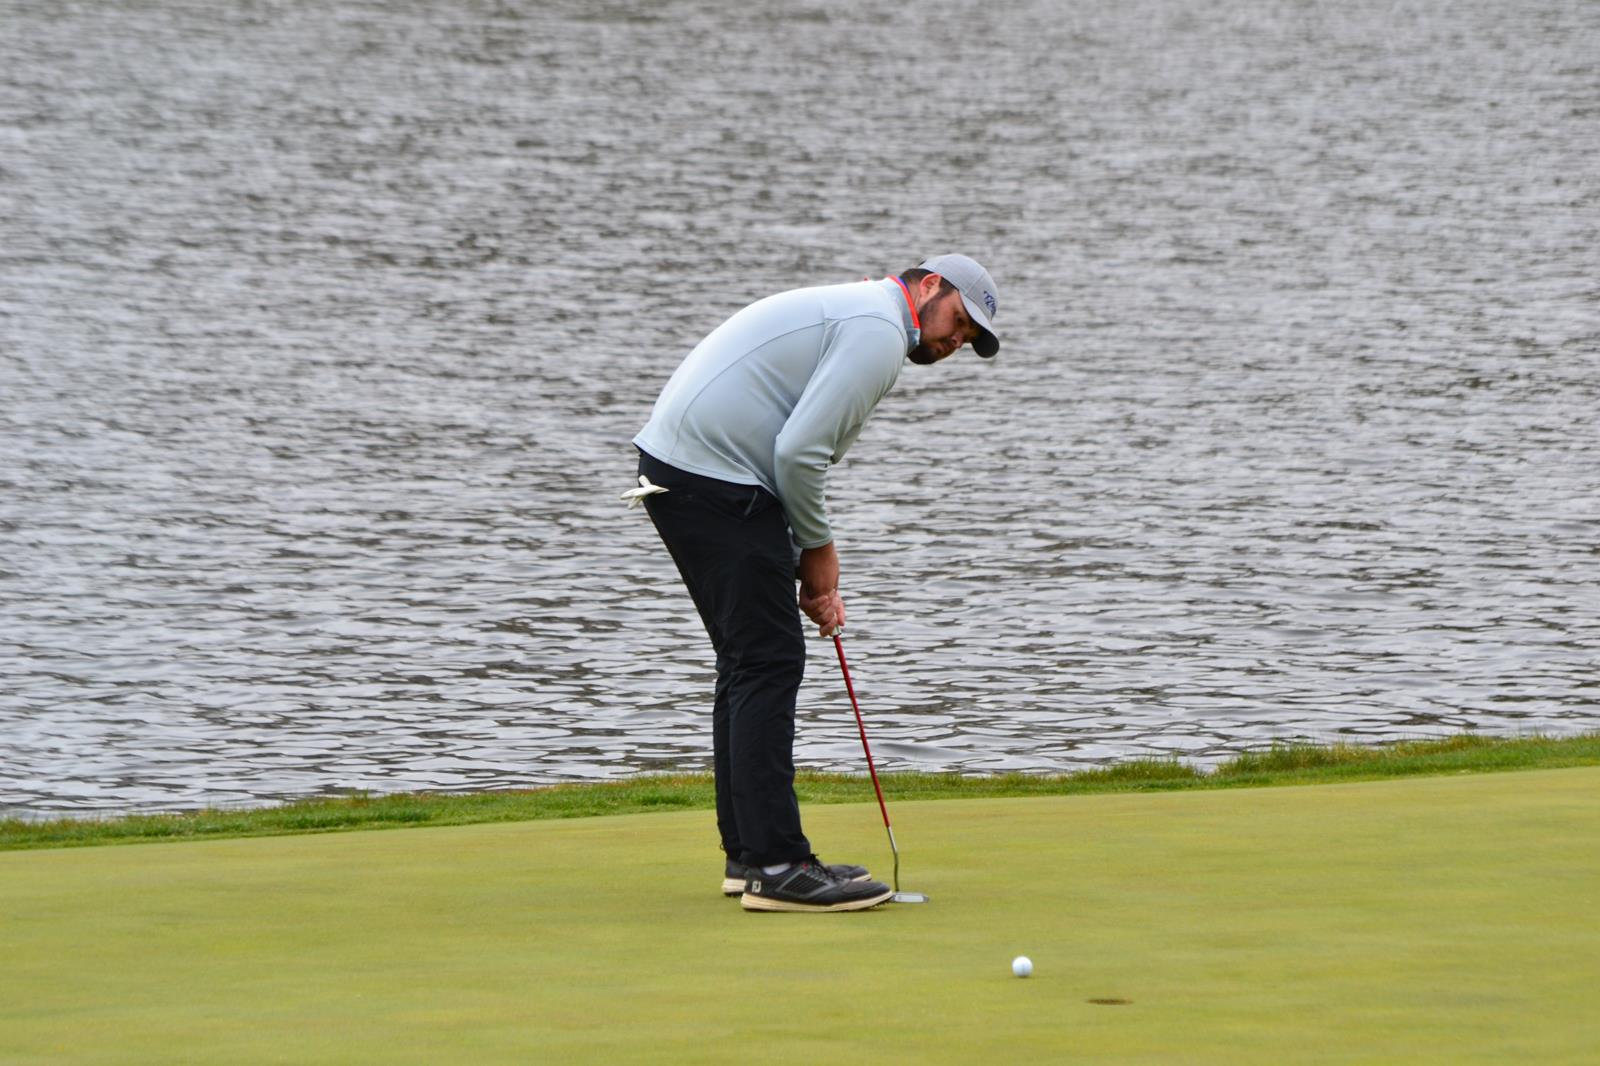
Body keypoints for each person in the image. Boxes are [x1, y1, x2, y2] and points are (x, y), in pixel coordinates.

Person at [627, 255, 1001, 912]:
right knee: (768, 660)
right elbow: (799, 452)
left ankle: (750, 855)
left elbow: (798, 453)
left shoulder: (868, 313)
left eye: (968, 340)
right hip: (715, 477)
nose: (954, 342)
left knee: (749, 660)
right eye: (960, 323)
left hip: (691, 471)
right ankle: (777, 864)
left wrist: (802, 552)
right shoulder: (882, 329)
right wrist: (820, 553)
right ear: (931, 287)